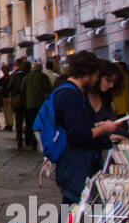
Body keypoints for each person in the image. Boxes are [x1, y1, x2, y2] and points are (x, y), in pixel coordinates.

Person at [52, 52, 124, 204]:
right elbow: (78, 135)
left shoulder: (71, 92)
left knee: (73, 209)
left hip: (74, 163)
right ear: (88, 73)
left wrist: (97, 127)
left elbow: (77, 127)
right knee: (71, 211)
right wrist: (104, 129)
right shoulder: (71, 94)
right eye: (97, 75)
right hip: (74, 164)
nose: (97, 79)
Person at [21, 59, 53, 150]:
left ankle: (33, 141)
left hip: (30, 104)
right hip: (41, 104)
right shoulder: (44, 77)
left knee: (30, 123)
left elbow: (22, 89)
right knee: (41, 122)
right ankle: (41, 141)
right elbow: (50, 90)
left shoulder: (27, 77)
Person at [11, 59, 32, 147]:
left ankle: (19, 138)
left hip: (18, 100)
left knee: (18, 120)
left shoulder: (16, 76)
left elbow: (10, 86)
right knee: (28, 120)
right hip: (28, 101)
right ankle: (28, 139)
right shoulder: (30, 76)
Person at [0, 64, 11, 130]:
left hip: (6, 96)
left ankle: (9, 124)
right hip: (7, 96)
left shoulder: (3, 79)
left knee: (8, 111)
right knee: (7, 111)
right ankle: (9, 124)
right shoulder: (9, 78)